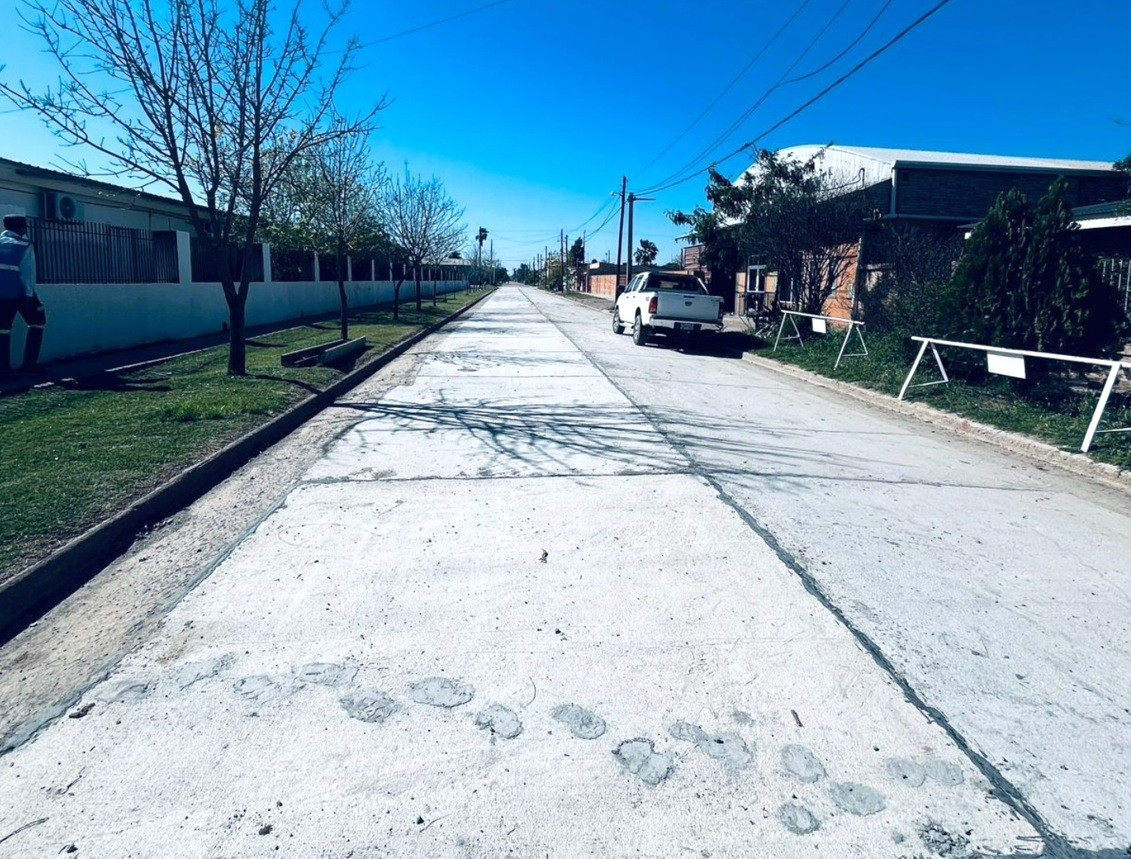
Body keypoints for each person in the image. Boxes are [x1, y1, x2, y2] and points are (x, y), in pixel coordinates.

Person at [0, 214, 46, 377]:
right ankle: (29, 365)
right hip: (19, 293)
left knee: (3, 329)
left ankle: (3, 369)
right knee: (38, 321)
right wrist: (28, 295)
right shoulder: (24, 244)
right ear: (22, 228)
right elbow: (27, 273)